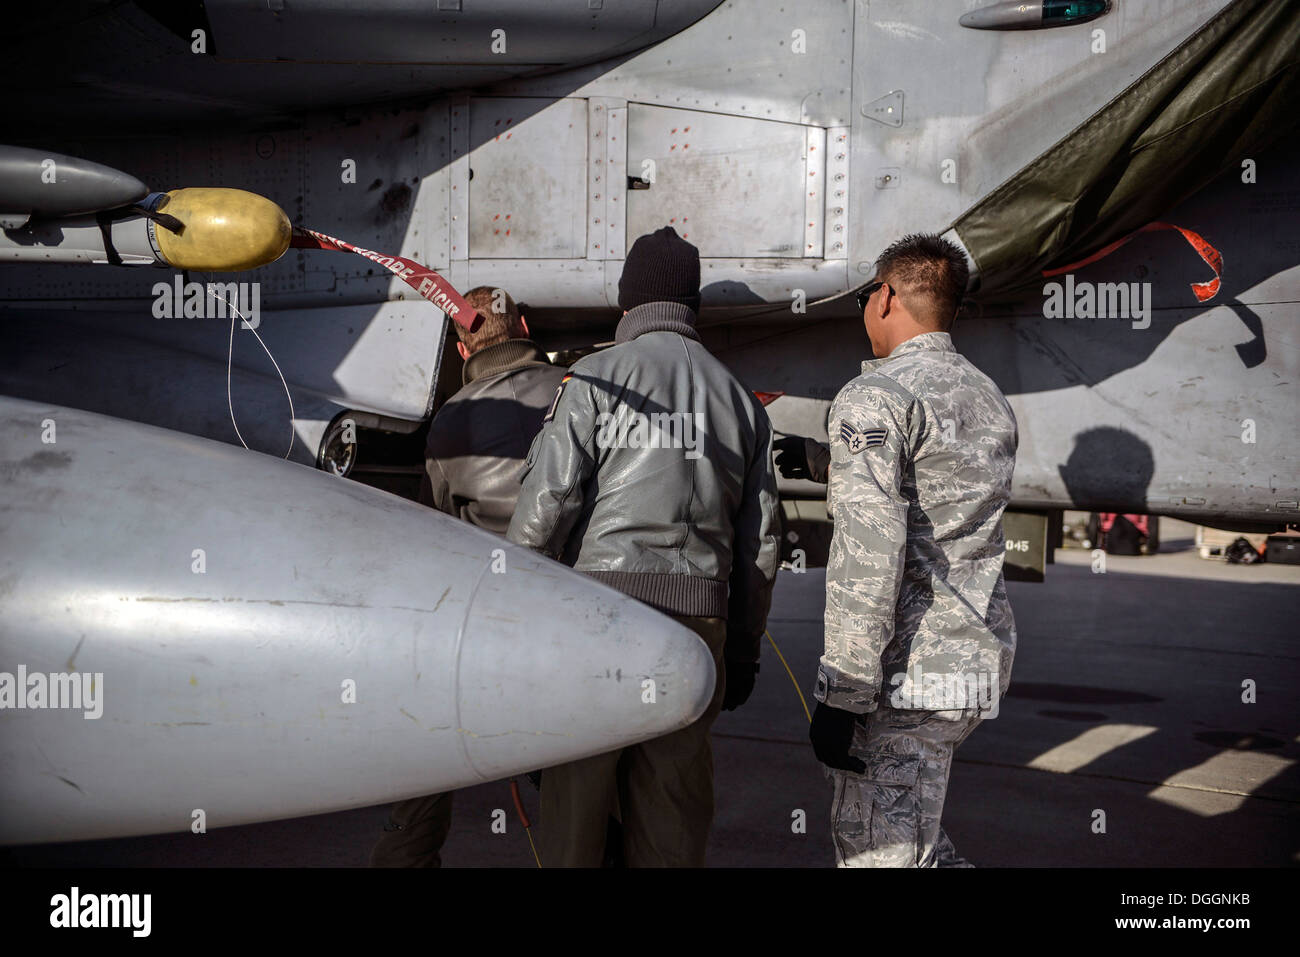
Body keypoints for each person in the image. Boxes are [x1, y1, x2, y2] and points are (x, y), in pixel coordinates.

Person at [507, 226, 781, 867]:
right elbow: (761, 544)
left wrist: (510, 613)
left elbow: (548, 505)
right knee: (672, 811)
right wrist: (741, 650)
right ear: (690, 307)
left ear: (629, 303)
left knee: (576, 802)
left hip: (598, 617)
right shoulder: (742, 401)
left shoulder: (596, 378)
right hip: (698, 627)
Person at [778, 233, 1018, 867]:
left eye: (865, 295)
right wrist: (828, 461)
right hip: (970, 659)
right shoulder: (983, 394)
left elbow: (870, 554)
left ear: (885, 297)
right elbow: (941, 491)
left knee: (880, 855)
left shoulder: (876, 395)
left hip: (905, 674)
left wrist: (844, 694)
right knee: (917, 843)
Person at [370, 285, 567, 867]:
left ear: (462, 349)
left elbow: (438, 530)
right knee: (570, 776)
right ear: (526, 324)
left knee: (425, 758)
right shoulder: (575, 395)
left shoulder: (452, 419)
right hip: (562, 621)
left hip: (477, 622)